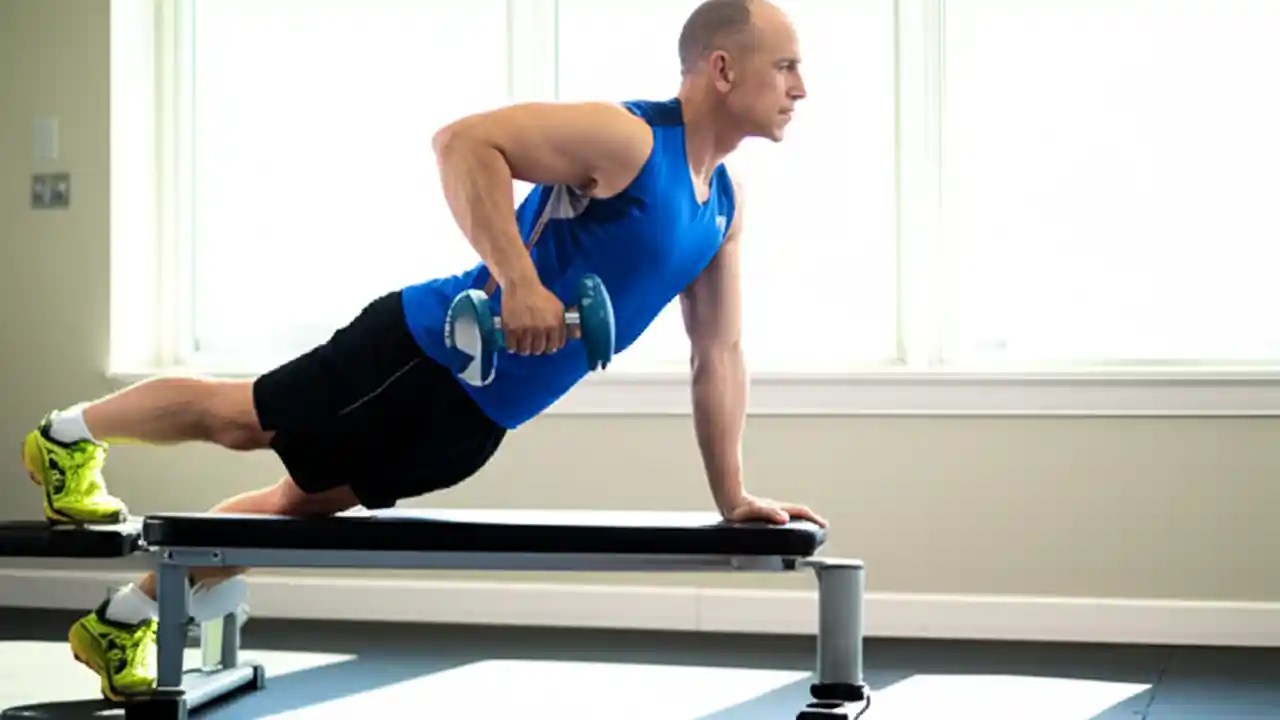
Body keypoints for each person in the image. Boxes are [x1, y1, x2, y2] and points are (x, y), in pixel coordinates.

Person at [20, 0, 825, 701]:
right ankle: (65, 438)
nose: (800, 87)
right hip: (424, 350)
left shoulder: (720, 205)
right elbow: (464, 142)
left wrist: (734, 498)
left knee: (290, 512)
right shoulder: (628, 140)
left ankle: (122, 622)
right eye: (785, 66)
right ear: (722, 68)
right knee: (243, 418)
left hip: (476, 419)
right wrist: (516, 280)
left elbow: (717, 353)